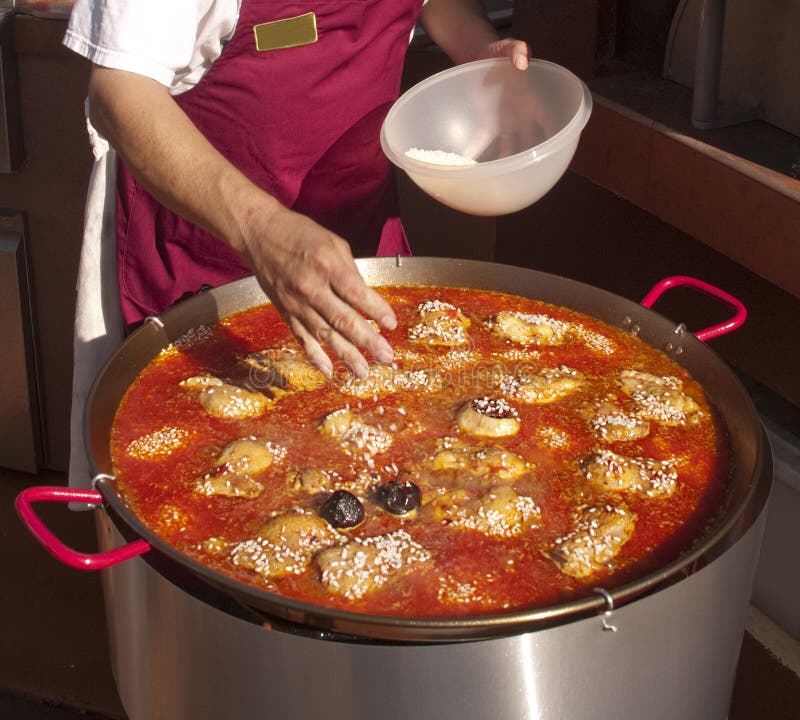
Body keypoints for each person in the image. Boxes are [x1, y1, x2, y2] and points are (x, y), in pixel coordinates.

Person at [64, 0, 529, 485]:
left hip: (365, 256)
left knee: (400, 477)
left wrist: (479, 47)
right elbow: (118, 94)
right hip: (208, 273)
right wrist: (259, 228)